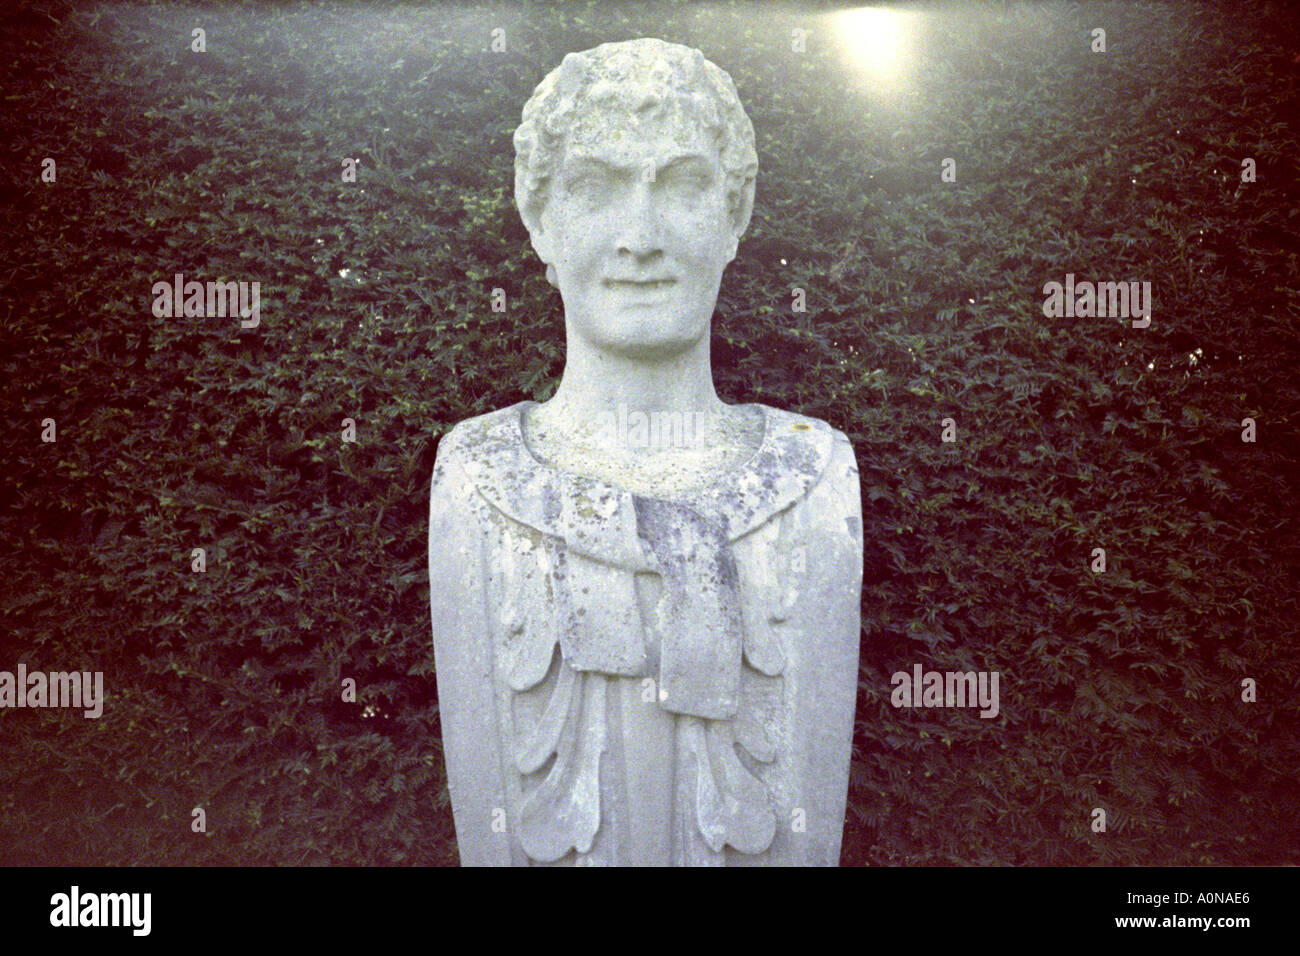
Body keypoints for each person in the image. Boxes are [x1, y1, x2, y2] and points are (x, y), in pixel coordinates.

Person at [429, 37, 861, 866]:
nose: (641, 237)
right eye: (596, 187)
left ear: (735, 215)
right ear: (538, 220)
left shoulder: (813, 477)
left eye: (683, 184)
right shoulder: (477, 479)